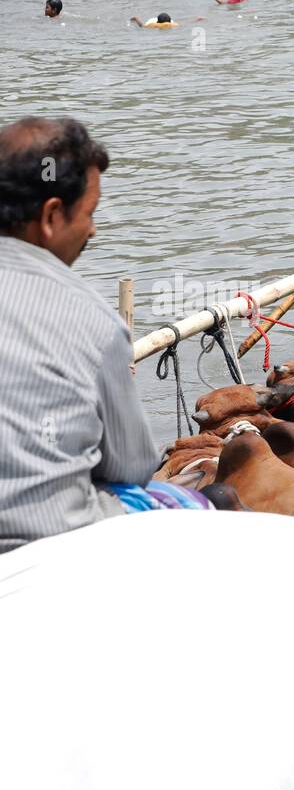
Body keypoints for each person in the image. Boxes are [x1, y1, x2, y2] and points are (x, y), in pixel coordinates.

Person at [0, 118, 206, 555]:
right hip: (50, 546)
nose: (92, 230)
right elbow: (132, 467)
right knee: (193, 506)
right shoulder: (89, 318)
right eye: (89, 214)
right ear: (52, 215)